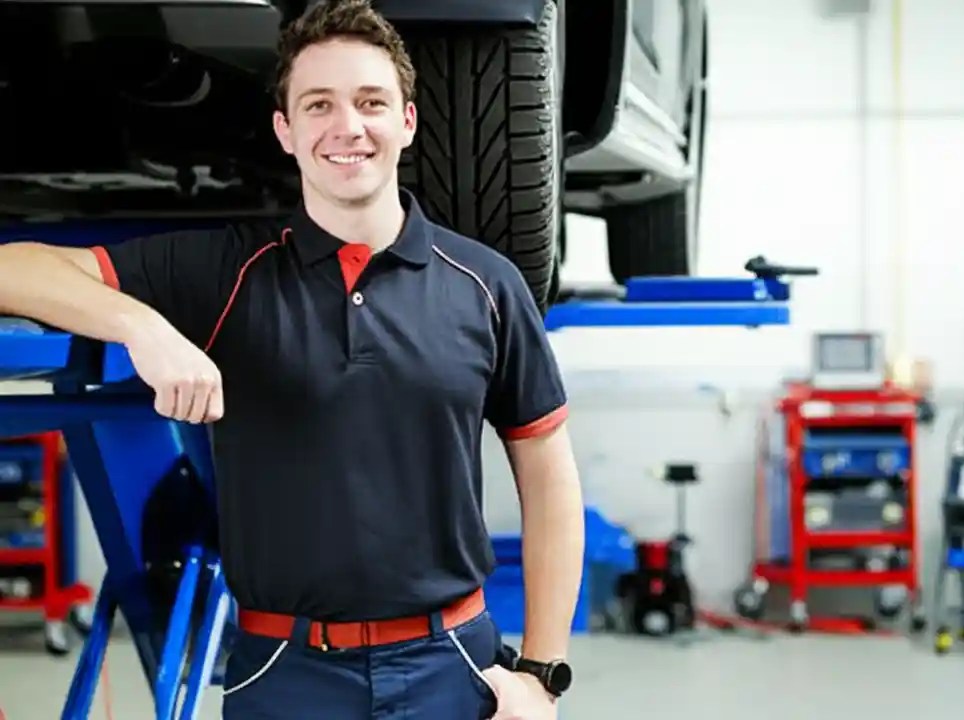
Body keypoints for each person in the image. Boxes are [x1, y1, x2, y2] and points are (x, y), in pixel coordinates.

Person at [0, 1, 584, 718]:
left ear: (407, 120)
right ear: (286, 130)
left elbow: (549, 476)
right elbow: (13, 270)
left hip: (452, 665)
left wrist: (540, 673)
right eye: (319, 105)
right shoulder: (226, 270)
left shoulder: (485, 284)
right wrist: (140, 328)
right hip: (284, 673)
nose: (347, 126)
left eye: (371, 102)